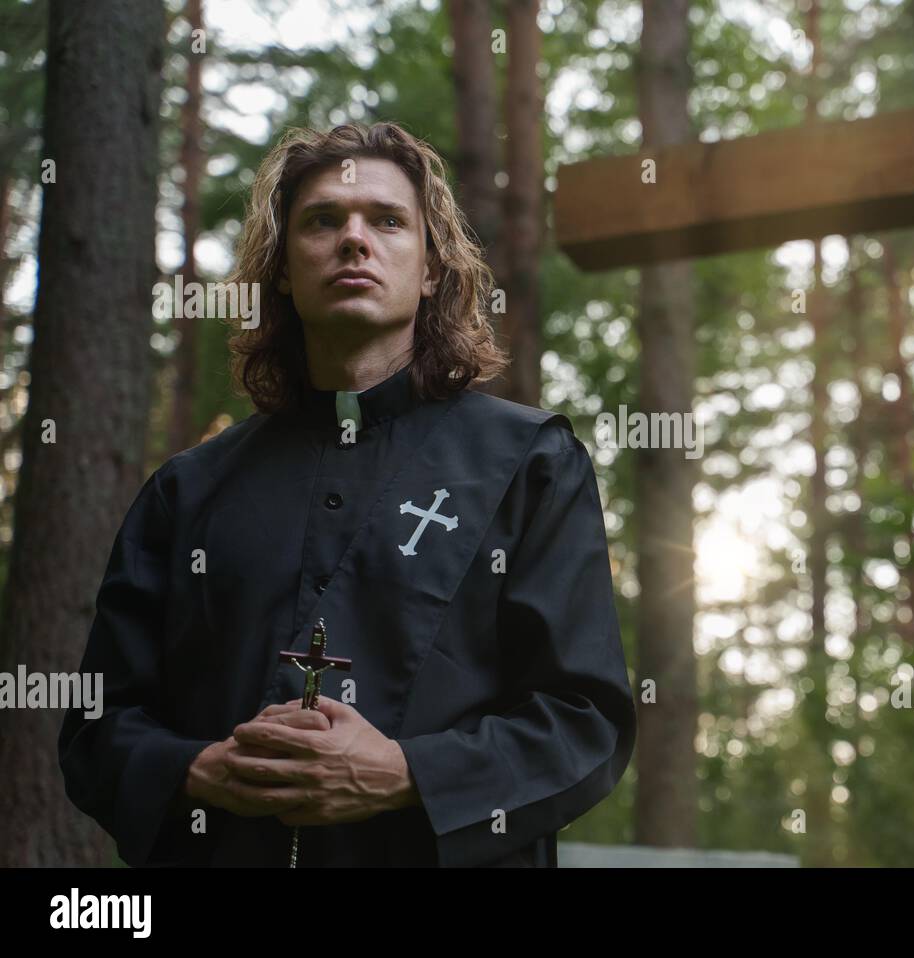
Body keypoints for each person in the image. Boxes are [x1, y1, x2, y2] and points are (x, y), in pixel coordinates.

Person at [58, 122, 636, 867]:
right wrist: (199, 771)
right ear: (283, 272)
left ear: (431, 269)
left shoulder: (531, 465)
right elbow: (97, 727)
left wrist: (404, 774)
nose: (354, 240)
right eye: (323, 220)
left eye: (388, 221)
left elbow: (584, 721)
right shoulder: (188, 491)